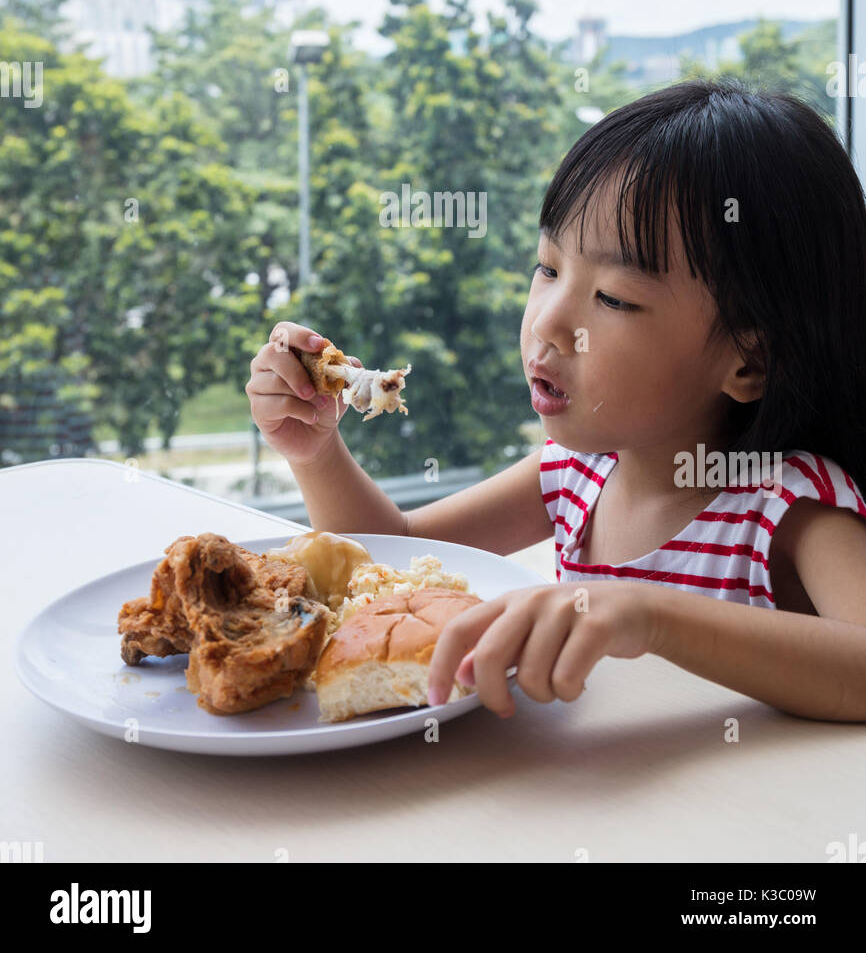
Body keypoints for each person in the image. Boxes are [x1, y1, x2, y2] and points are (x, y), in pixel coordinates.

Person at [246, 78, 866, 722]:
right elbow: (390, 554)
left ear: (750, 360)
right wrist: (316, 450)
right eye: (548, 268)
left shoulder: (786, 507)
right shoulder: (575, 476)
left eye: (615, 298)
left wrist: (649, 615)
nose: (547, 322)